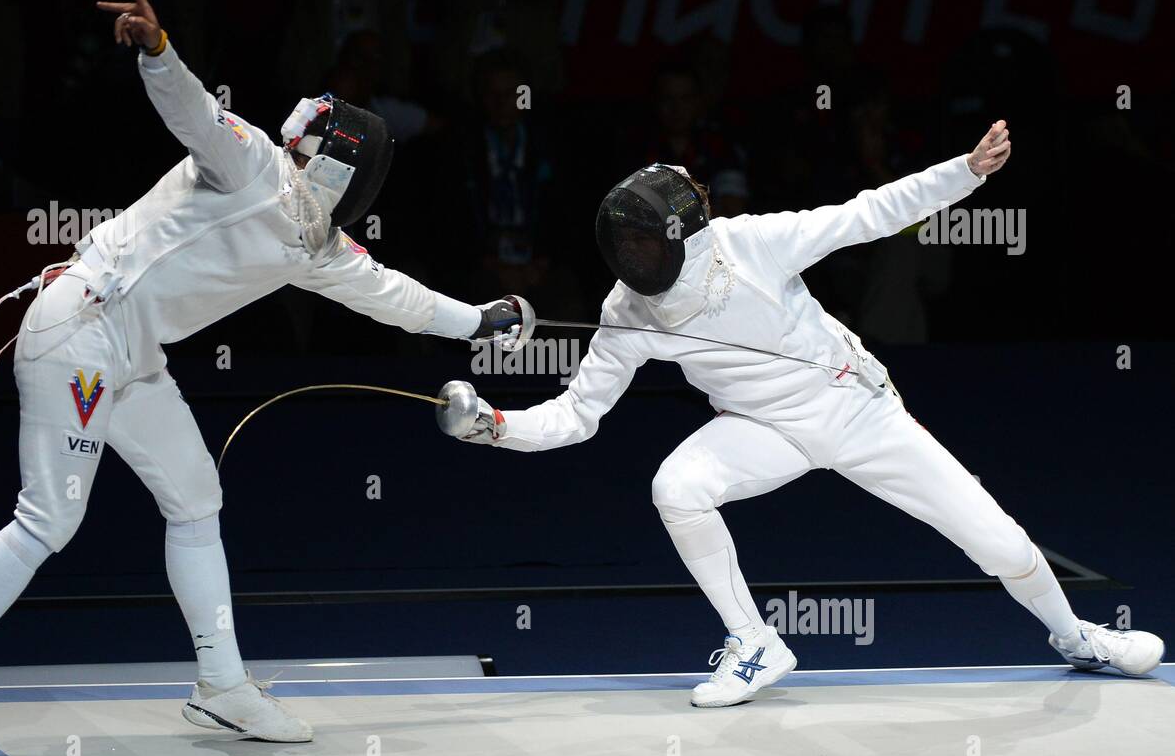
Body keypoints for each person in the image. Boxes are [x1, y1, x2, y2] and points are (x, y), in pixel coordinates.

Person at [0, 0, 526, 756]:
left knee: (194, 498)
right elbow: (192, 111)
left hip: (131, 357)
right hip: (82, 328)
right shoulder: (250, 161)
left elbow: (396, 297)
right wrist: (157, 47)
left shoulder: (313, 242)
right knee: (49, 518)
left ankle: (222, 688)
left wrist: (482, 323)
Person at [443, 120, 1164, 707]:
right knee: (678, 486)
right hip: (765, 430)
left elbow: (869, 214)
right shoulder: (626, 310)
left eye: (641, 240)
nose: (629, 255)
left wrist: (966, 171)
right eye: (621, 242)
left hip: (856, 410)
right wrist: (494, 427)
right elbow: (577, 415)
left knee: (998, 544)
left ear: (679, 235)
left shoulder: (752, 242)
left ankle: (1076, 637)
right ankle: (756, 643)